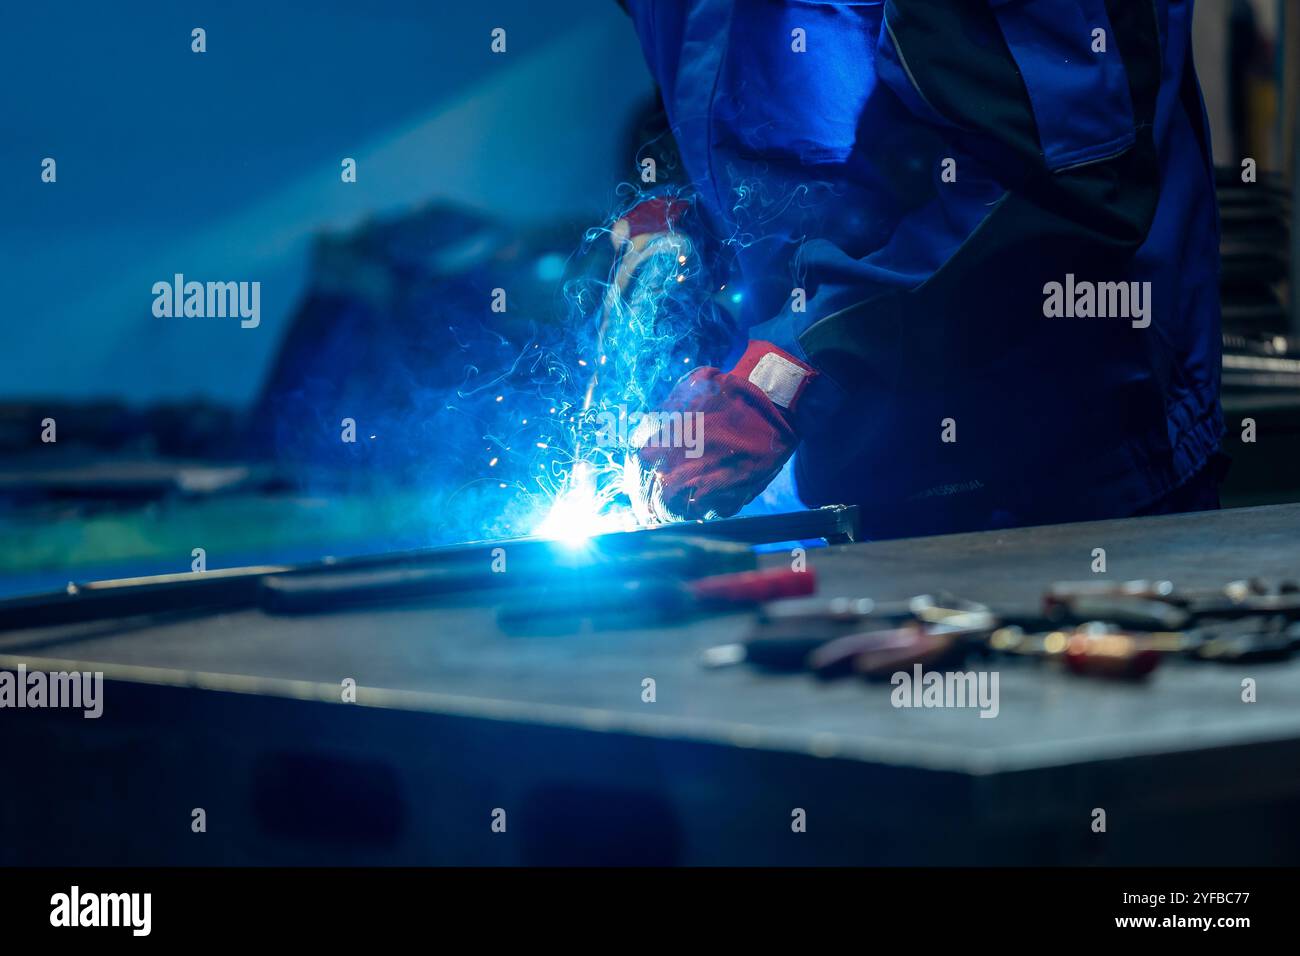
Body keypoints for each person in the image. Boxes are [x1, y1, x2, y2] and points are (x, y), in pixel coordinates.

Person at [619, 0, 1224, 538]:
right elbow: (722, 51)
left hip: (1066, 462)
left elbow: (1061, 179)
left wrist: (787, 376)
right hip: (850, 456)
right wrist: (676, 198)